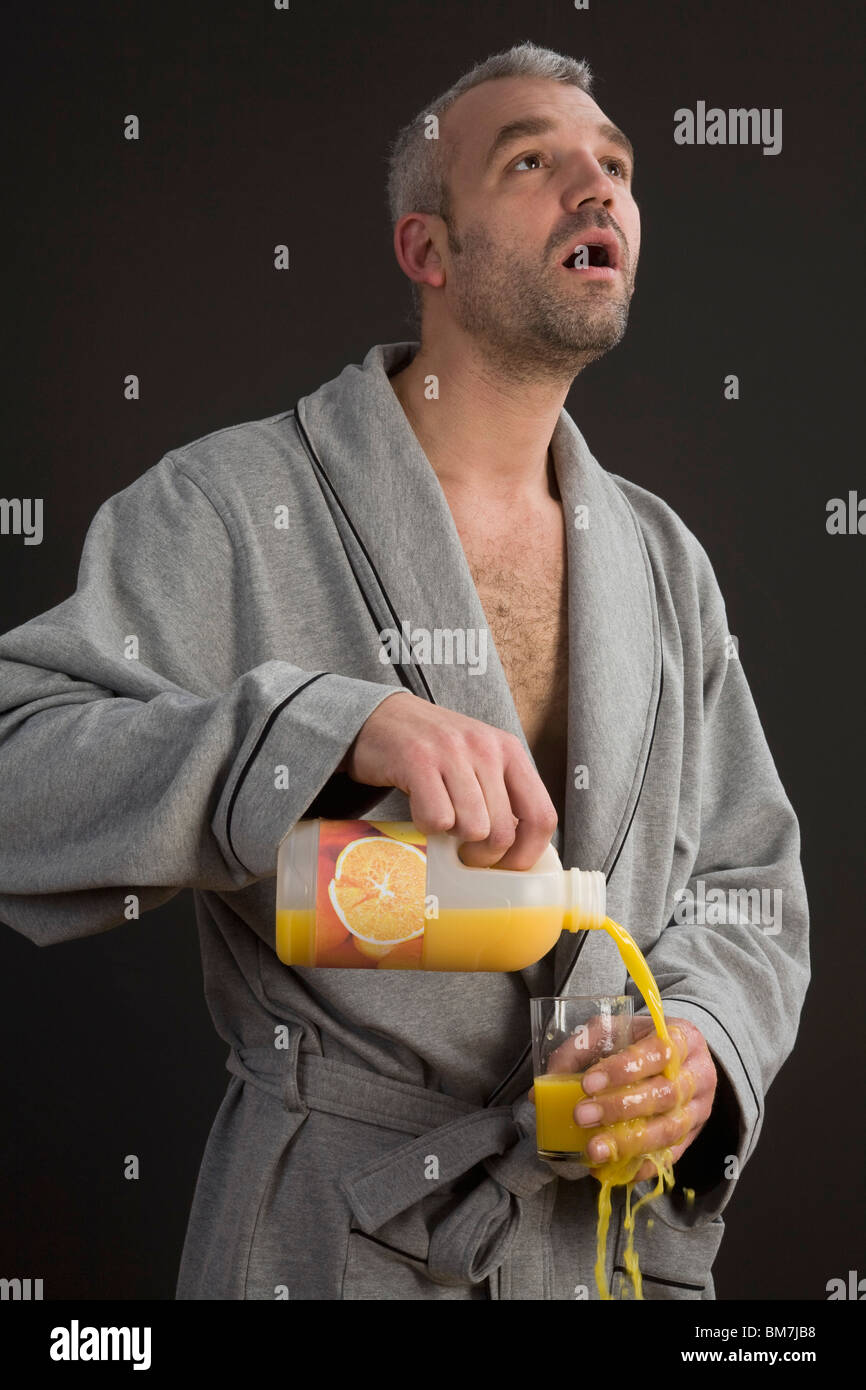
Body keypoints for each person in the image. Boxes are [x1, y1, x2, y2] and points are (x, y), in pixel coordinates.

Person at [0, 41, 808, 1300]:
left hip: (603, 1254)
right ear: (424, 251)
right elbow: (17, 774)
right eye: (530, 161)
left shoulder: (660, 559)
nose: (594, 189)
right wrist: (317, 729)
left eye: (616, 166)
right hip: (334, 1241)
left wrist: (700, 1051)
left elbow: (750, 878)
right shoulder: (232, 505)